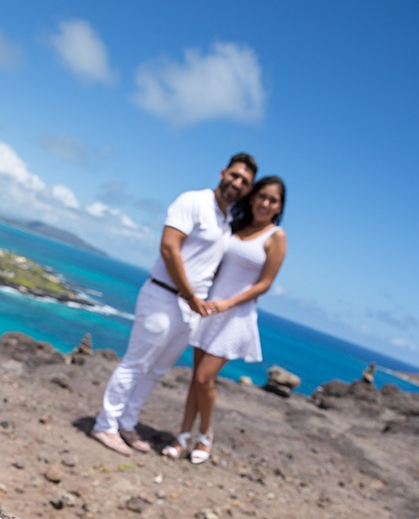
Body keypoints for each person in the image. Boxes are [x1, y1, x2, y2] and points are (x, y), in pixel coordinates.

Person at [91, 153, 258, 455]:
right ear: (222, 172)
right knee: (136, 363)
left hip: (191, 309)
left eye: (244, 181)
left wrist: (200, 301)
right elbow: (169, 247)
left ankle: (127, 423)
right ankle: (105, 424)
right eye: (234, 175)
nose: (237, 183)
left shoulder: (227, 221)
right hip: (165, 295)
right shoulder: (193, 201)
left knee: (155, 370)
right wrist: (191, 295)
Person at [163, 176, 287, 464]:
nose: (265, 203)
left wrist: (229, 303)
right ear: (253, 197)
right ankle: (183, 436)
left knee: (205, 377)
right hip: (210, 307)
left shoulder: (275, 236)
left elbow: (265, 284)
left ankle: (205, 435)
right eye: (262, 196)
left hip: (235, 314)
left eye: (273, 200)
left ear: (279, 207)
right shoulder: (236, 227)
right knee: (196, 378)